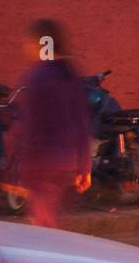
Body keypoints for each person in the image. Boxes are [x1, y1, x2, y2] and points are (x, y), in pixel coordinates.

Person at [11, 19, 92, 228]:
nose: (26, 48)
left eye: (29, 43)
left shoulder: (38, 77)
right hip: (68, 165)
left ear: (41, 43)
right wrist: (84, 167)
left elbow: (31, 128)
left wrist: (20, 170)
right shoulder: (71, 75)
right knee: (53, 224)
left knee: (45, 229)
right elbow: (83, 124)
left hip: (43, 166)